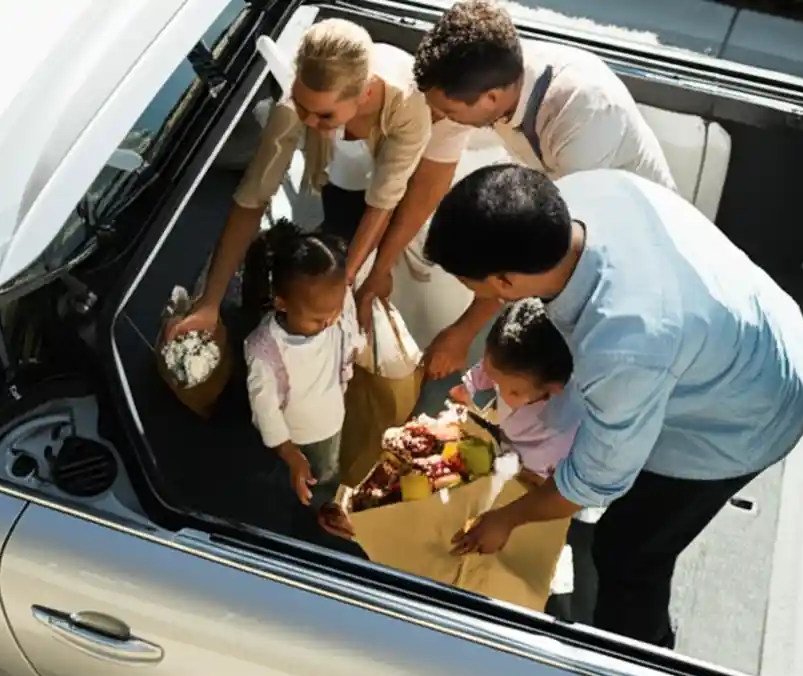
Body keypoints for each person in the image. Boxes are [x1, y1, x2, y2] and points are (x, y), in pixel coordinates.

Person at [431, 164, 803, 648]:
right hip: (754, 322)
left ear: (506, 282)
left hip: (749, 414)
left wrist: (506, 519)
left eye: (478, 287)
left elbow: (594, 482)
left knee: (630, 551)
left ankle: (641, 673)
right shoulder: (584, 192)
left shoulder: (626, 345)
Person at [357, 0, 676, 378]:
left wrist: (463, 332)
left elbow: (540, 248)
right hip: (561, 233)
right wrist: (381, 267)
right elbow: (430, 181)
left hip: (635, 246)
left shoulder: (583, 111)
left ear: (491, 98)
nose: (441, 119)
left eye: (450, 113)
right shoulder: (474, 89)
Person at [166, 18, 438, 341]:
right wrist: (209, 302)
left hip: (387, 177)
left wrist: (345, 282)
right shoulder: (296, 104)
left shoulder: (410, 108)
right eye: (301, 105)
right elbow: (252, 197)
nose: (307, 121)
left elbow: (384, 201)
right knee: (335, 217)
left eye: (324, 115)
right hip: (337, 172)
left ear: (364, 95)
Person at [242, 221, 363, 531]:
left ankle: (320, 504)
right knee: (297, 478)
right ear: (281, 302)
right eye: (317, 318)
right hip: (294, 435)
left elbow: (346, 328)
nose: (329, 321)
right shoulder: (264, 350)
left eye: (334, 310)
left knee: (326, 470)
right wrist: (289, 453)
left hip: (332, 420)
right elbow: (265, 410)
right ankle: (299, 521)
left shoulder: (332, 305)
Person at [449, 297, 578, 482]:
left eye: (513, 392)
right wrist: (468, 386)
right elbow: (489, 370)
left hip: (533, 473)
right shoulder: (509, 367)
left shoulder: (563, 430)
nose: (499, 390)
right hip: (504, 443)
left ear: (551, 389)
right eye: (496, 381)